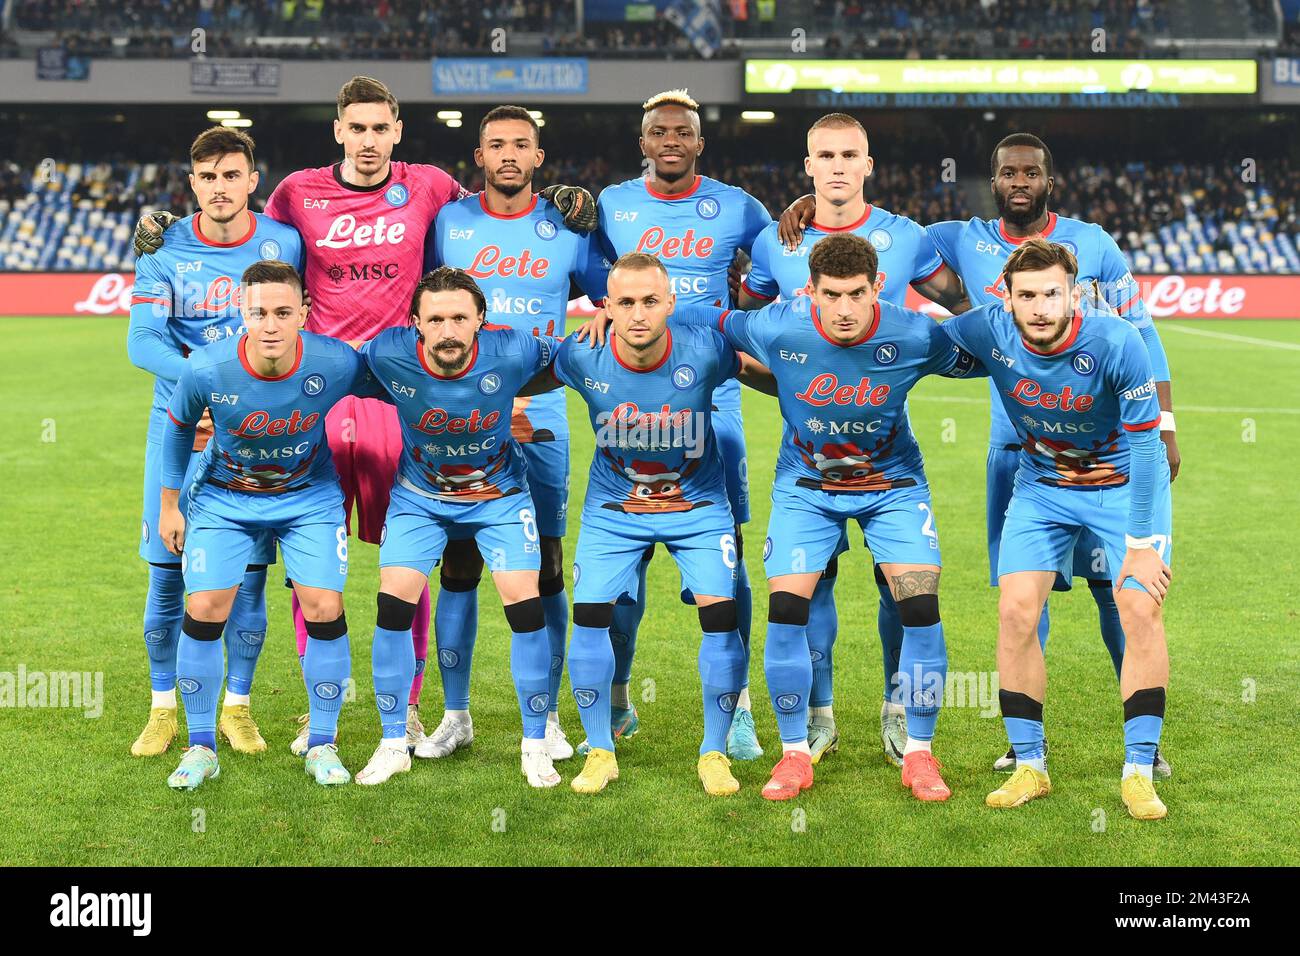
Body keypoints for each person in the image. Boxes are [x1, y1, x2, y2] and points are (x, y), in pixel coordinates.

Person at [938, 239, 1174, 820]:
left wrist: (1142, 547)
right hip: (1042, 488)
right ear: (1008, 300)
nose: (1040, 306)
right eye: (1027, 295)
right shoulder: (988, 329)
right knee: (1016, 609)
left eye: (1051, 293)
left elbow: (1146, 447)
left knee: (1138, 605)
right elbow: (917, 342)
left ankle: (1140, 770)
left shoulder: (1117, 341)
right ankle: (1029, 765)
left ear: (1074, 293)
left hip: (1122, 486)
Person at [157, 260, 384, 790]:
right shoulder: (207, 368)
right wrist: (170, 506)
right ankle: (200, 747)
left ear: (304, 313)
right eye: (259, 312)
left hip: (308, 497)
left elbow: (402, 384)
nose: (271, 325)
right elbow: (176, 431)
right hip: (224, 498)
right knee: (206, 607)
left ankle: (323, 744)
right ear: (242, 313)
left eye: (284, 311)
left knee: (325, 607)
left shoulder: (335, 361)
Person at [126, 126, 303, 758]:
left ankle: (238, 707)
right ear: (191, 182)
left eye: (232, 175)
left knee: (248, 578)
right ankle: (162, 708)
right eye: (207, 177)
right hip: (178, 428)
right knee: (168, 574)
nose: (220, 188)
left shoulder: (284, 242)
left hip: (253, 435)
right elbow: (141, 343)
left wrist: (236, 394)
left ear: (253, 181)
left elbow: (296, 319)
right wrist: (208, 384)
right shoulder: (163, 249)